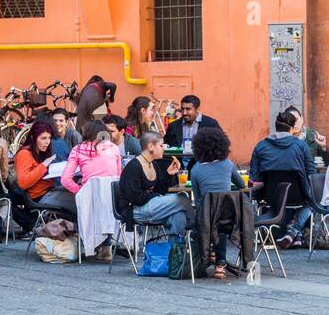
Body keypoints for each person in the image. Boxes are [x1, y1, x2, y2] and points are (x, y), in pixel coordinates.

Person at [248, 109, 315, 250]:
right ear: (291, 129)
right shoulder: (301, 145)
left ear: (276, 127)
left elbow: (253, 177)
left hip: (269, 196)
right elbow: (311, 173)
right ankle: (294, 231)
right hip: (297, 196)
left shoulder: (260, 146)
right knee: (313, 201)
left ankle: (293, 235)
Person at [189, 126, 243, 279]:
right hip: (228, 216)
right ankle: (220, 264)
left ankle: (210, 251)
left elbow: (198, 198)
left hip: (205, 216)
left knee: (209, 216)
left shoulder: (196, 169)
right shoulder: (228, 164)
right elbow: (241, 185)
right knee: (222, 223)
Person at [119, 132, 189, 239]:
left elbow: (160, 190)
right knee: (182, 199)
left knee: (179, 216)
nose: (163, 149)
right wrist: (155, 196)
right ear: (151, 146)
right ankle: (199, 231)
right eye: (161, 146)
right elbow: (135, 197)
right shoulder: (133, 166)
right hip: (136, 210)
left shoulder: (154, 164)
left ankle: (174, 252)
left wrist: (168, 174)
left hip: (152, 208)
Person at [60, 121, 122, 195]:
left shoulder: (78, 149)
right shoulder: (114, 148)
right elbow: (118, 176)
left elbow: (65, 180)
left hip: (88, 196)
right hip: (111, 195)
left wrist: (80, 191)